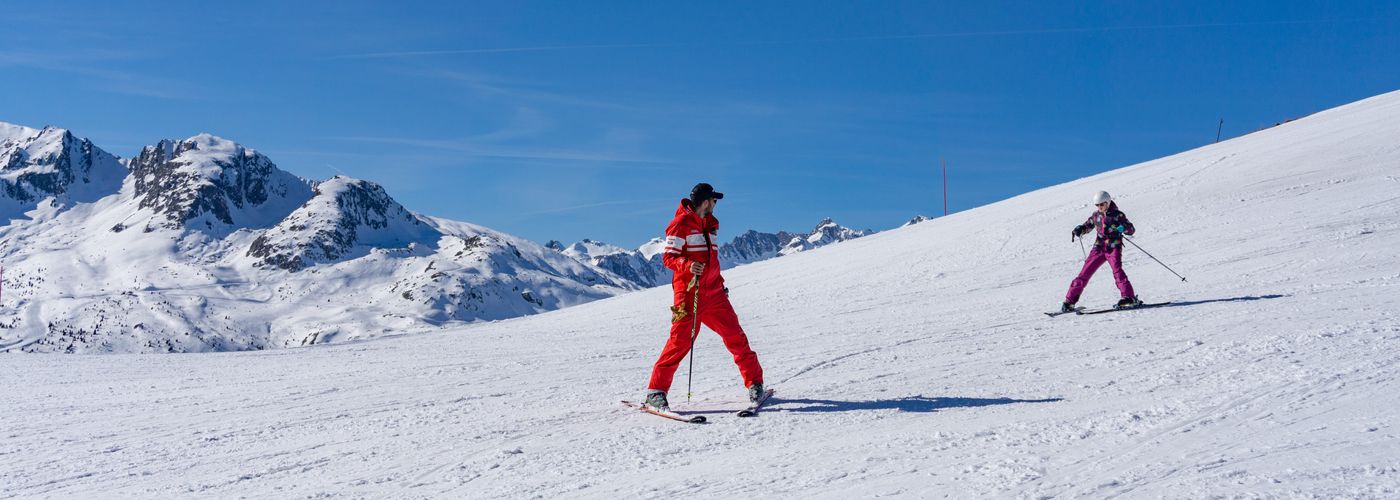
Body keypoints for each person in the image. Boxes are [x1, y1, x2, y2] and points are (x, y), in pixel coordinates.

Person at [643, 183, 764, 412]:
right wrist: (688, 265)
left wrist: (720, 284)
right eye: (714, 201)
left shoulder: (711, 225)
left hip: (715, 294)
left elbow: (713, 262)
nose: (716, 205)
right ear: (706, 201)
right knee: (679, 342)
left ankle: (755, 383)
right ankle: (655, 392)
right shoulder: (679, 225)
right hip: (688, 295)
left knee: (735, 336)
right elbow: (668, 258)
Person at [1061, 191, 1143, 313]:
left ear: (1108, 202)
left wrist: (1123, 228)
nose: (1099, 207)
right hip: (1098, 248)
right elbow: (1087, 226)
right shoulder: (1096, 216)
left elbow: (1131, 229)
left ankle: (1128, 297)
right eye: (1097, 205)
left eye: (1101, 204)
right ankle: (1069, 301)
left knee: (1117, 271)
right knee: (1084, 273)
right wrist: (1080, 229)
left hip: (1113, 247)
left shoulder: (1117, 215)